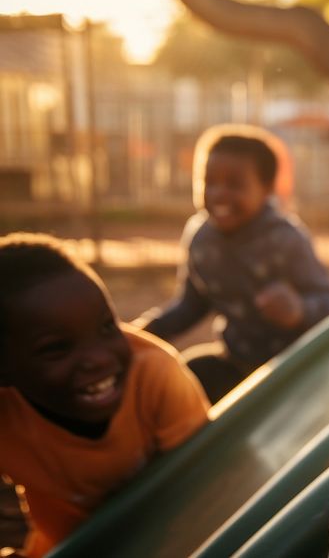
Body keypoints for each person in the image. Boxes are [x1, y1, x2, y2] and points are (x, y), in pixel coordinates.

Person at [0, 233, 209, 558]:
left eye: (106, 328)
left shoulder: (155, 375)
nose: (98, 358)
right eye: (56, 348)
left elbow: (208, 483)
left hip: (168, 539)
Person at [136, 124, 329, 403]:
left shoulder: (286, 238)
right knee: (184, 379)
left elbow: (328, 301)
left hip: (293, 367)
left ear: (267, 188)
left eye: (234, 184)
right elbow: (192, 304)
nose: (219, 193)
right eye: (209, 182)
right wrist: (146, 333)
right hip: (237, 361)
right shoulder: (201, 237)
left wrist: (298, 310)